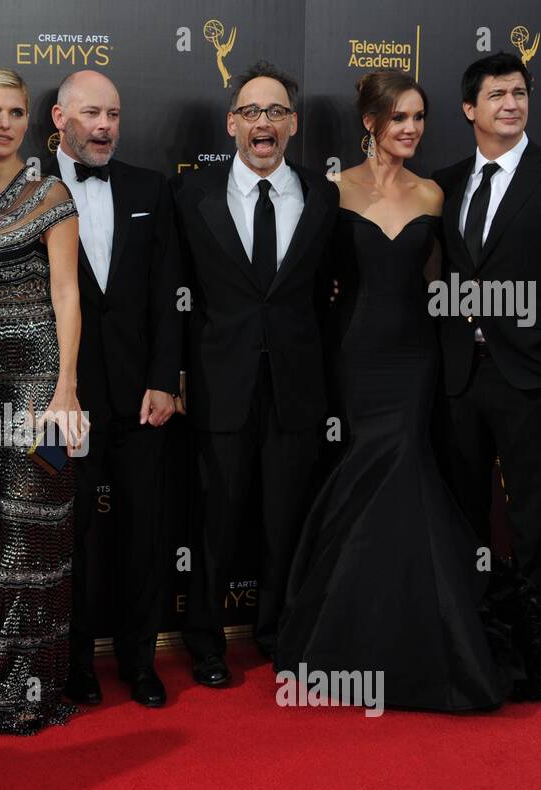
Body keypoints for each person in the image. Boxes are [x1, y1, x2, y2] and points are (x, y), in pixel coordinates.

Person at [275, 71, 541, 710]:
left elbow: (460, 279)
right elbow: (310, 283)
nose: (410, 129)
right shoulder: (331, 190)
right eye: (398, 118)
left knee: (415, 481)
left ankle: (487, 640)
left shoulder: (436, 192)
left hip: (422, 359)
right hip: (355, 358)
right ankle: (354, 634)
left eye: (418, 119)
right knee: (365, 485)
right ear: (370, 123)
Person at [172, 62, 338, 685]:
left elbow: (326, 295)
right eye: (250, 112)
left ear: (293, 125)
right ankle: (206, 643)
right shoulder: (193, 196)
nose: (262, 123)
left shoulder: (322, 197)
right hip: (219, 386)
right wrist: (175, 373)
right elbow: (173, 291)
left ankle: (278, 633)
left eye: (274, 112)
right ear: (231, 124)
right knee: (215, 520)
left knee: (286, 519)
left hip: (297, 387)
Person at [0, 68, 87, 734]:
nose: (5, 123)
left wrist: (66, 391)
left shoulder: (51, 193)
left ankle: (29, 687)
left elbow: (66, 295)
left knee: (37, 541)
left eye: (17, 112)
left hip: (42, 394)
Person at [433, 52, 541, 595]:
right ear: (469, 109)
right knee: (463, 512)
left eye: (519, 94)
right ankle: (475, 630)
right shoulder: (446, 183)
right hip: (459, 376)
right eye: (497, 96)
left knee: (530, 516)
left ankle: (536, 637)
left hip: (530, 376)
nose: (511, 105)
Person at [42, 70, 182, 708]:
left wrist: (163, 381)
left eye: (114, 114)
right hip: (60, 399)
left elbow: (168, 298)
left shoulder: (151, 187)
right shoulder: (32, 191)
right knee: (65, 536)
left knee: (141, 535)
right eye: (92, 113)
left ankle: (140, 661)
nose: (105, 126)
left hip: (138, 399)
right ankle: (73, 665)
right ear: (59, 118)